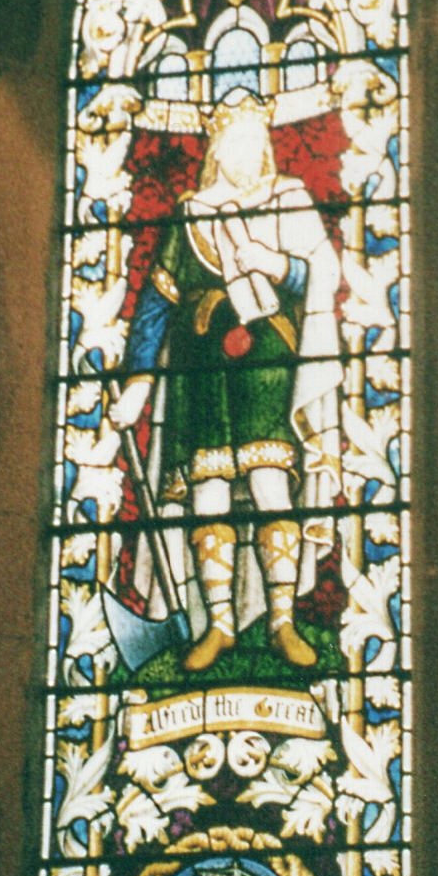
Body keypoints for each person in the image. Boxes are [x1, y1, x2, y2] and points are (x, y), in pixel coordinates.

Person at [109, 94, 343, 672]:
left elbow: (322, 274)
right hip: (199, 371)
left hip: (267, 365)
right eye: (230, 143)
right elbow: (158, 302)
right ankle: (217, 626)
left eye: (249, 141)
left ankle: (283, 622)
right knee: (206, 494)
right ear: (216, 151)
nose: (241, 153)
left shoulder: (288, 200)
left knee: (269, 485)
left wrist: (277, 264)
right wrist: (138, 384)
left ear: (262, 146)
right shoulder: (192, 214)